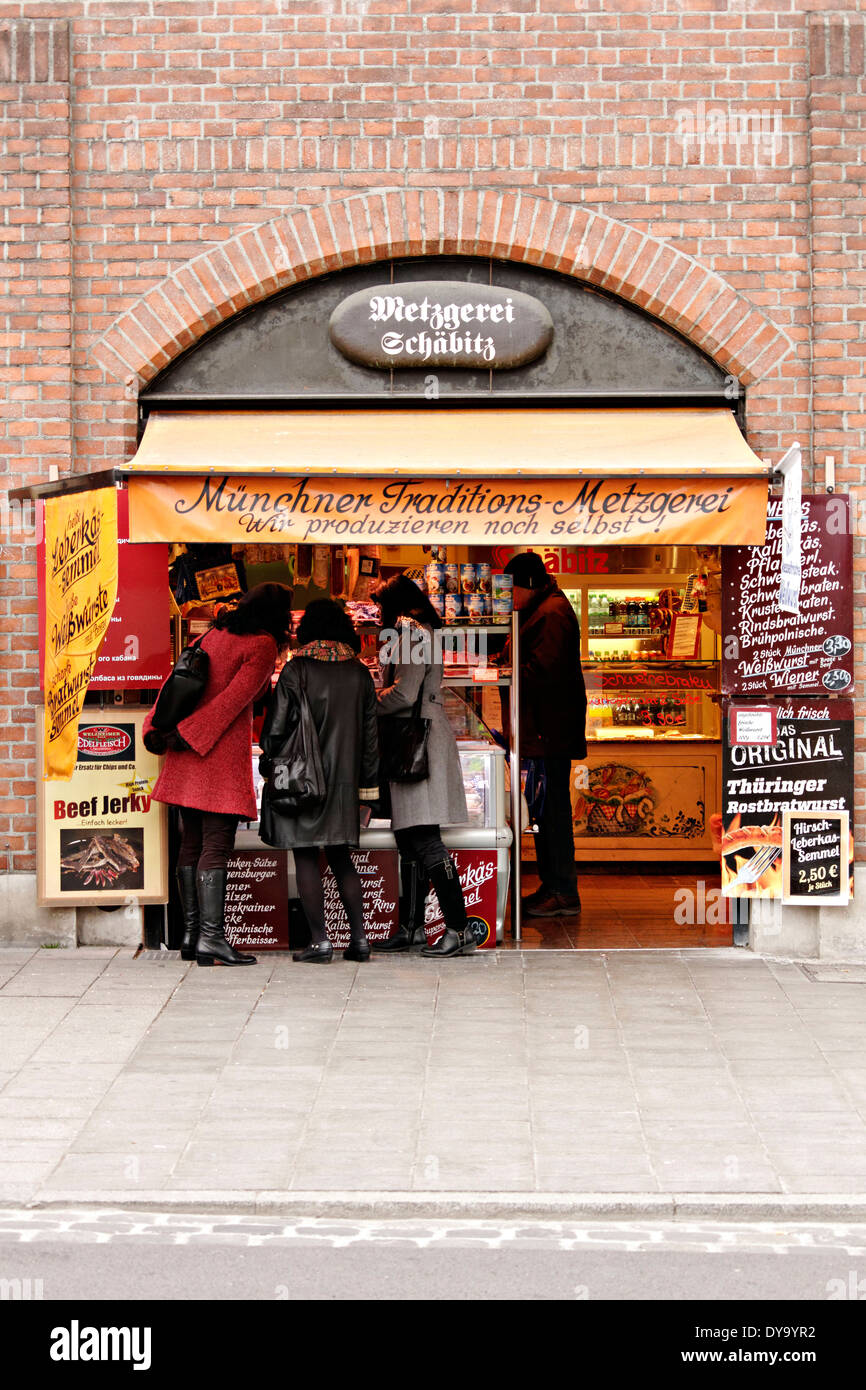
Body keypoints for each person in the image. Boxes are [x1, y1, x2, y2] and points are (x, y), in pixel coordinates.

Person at [143, 582, 293, 966]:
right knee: (216, 845)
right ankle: (211, 937)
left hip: (186, 753)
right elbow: (232, 702)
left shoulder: (216, 632)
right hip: (215, 754)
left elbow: (175, 681)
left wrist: (157, 729)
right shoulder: (261, 645)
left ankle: (193, 935)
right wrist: (187, 735)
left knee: (191, 842)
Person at [259, 599, 379, 964]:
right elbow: (371, 739)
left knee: (307, 855)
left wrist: (268, 760)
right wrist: (367, 791)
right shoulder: (360, 673)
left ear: (307, 629)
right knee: (342, 857)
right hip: (345, 783)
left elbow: (275, 730)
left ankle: (320, 942)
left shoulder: (297, 670)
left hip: (303, 782)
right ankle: (359, 941)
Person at [370, 574, 475, 959]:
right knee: (409, 840)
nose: (377, 614)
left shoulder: (411, 634)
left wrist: (368, 698)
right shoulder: (414, 631)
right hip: (413, 742)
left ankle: (459, 928)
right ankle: (412, 928)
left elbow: (403, 694)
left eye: (380, 606)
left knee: (425, 838)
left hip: (417, 743)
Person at [502, 551, 587, 918]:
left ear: (530, 585)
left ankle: (563, 892)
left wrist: (508, 669)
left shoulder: (551, 614)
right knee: (545, 811)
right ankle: (553, 887)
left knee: (551, 812)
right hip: (544, 730)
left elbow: (545, 673)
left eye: (513, 590)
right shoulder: (542, 608)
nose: (510, 598)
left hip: (549, 730)